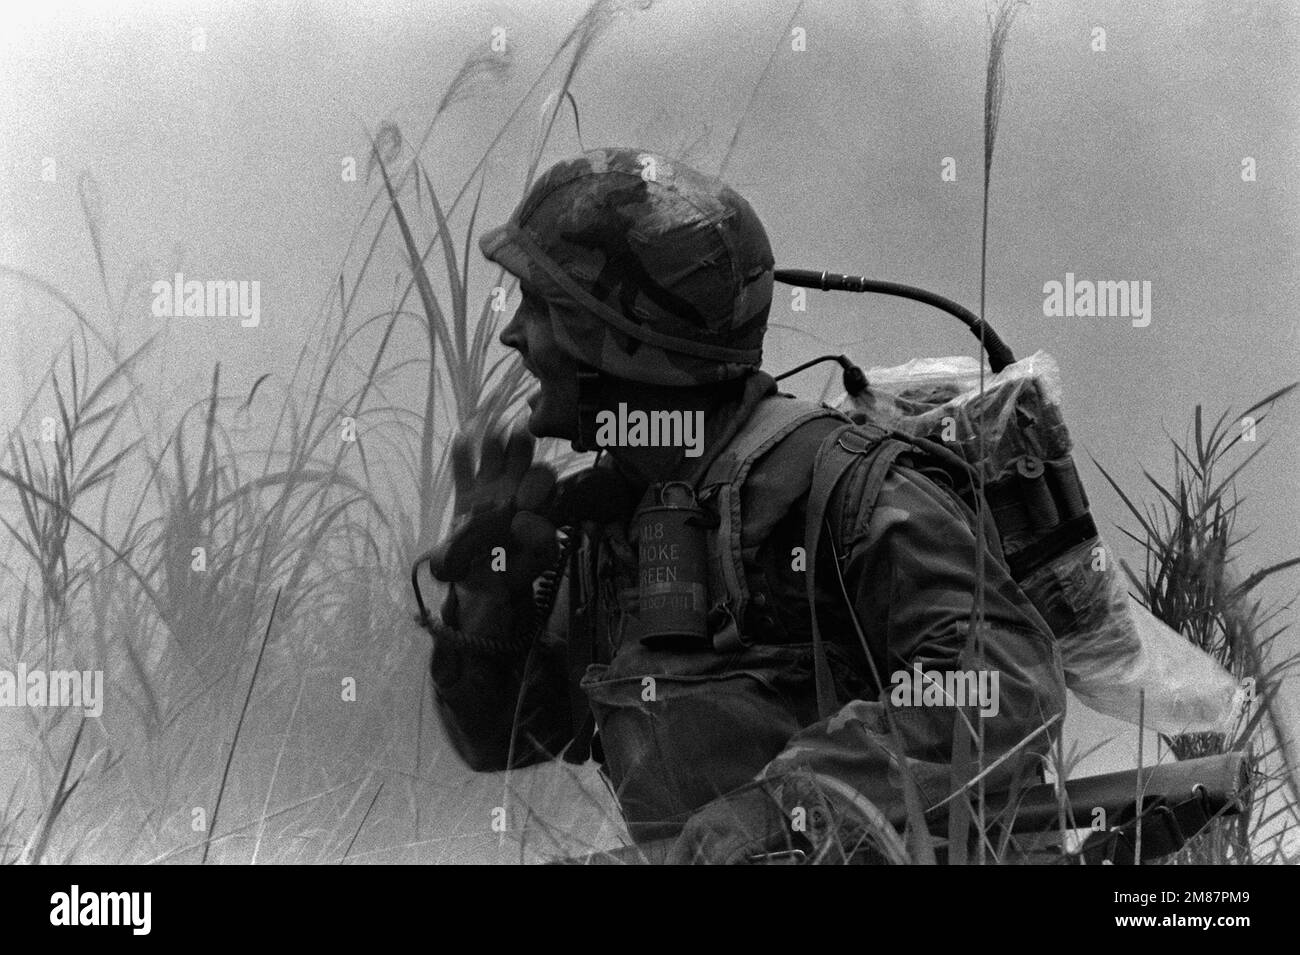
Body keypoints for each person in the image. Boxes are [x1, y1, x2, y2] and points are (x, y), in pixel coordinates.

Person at [423, 146, 1067, 864]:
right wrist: (489, 601)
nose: (514, 333)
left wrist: (787, 807)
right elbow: (497, 741)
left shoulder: (845, 487)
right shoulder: (610, 524)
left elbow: (1008, 687)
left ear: (625, 343)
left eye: (543, 307)